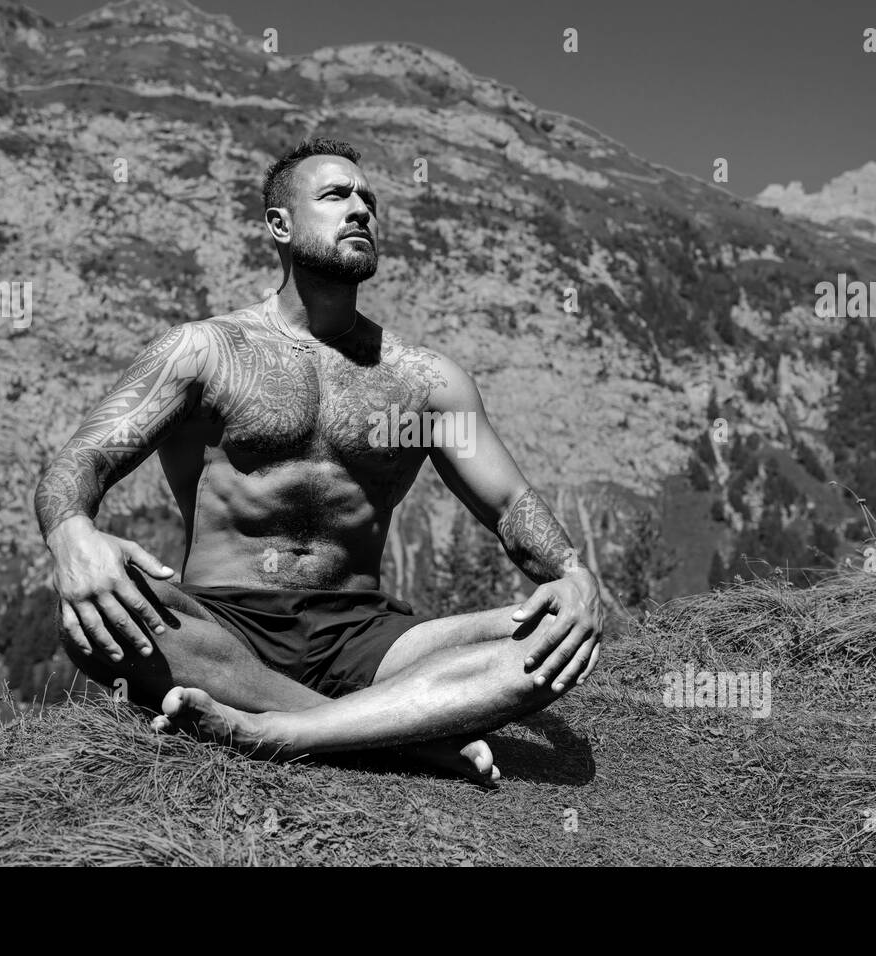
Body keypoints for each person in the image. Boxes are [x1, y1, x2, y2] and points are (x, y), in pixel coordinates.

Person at [35, 138, 603, 785]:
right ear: (279, 224)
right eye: (337, 196)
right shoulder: (205, 352)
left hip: (369, 637)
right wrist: (71, 533)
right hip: (224, 625)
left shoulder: (422, 379)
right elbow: (81, 460)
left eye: (369, 200)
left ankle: (283, 727)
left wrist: (572, 571)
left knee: (555, 631)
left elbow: (507, 504)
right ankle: (391, 732)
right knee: (86, 618)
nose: (360, 209)